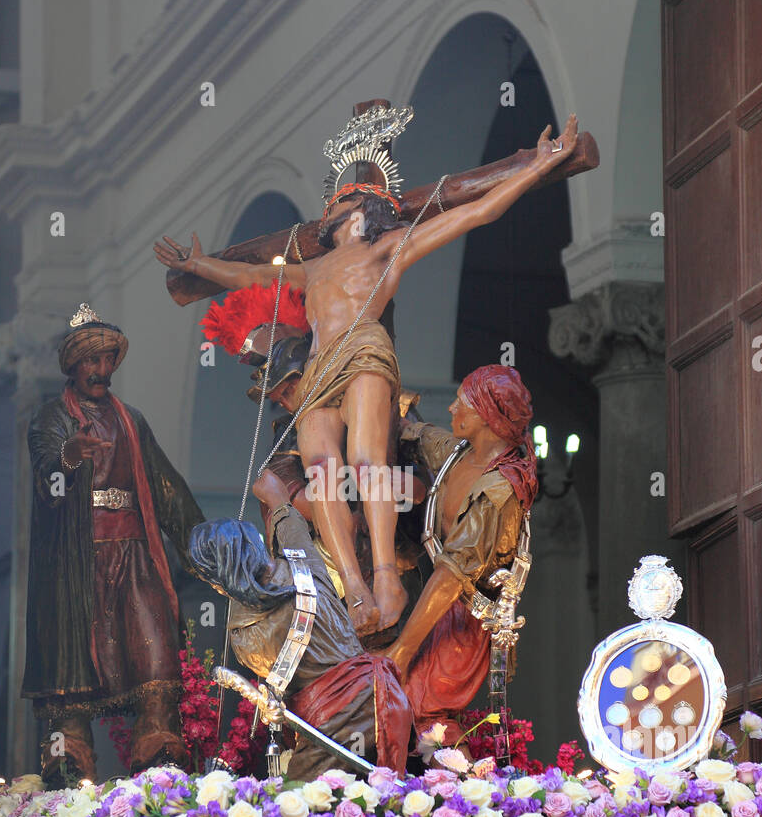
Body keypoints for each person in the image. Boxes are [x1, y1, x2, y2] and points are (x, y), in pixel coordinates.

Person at [155, 116, 579, 635]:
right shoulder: (313, 269)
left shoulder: (386, 247)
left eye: (335, 204)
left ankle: (385, 578)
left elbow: (477, 213)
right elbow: (249, 276)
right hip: (319, 367)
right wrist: (200, 265)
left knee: (364, 460)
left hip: (363, 350)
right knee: (320, 468)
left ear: (360, 213)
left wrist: (538, 166)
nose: (325, 214)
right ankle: (353, 586)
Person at [23, 305, 204, 779]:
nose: (102, 371)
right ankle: (68, 773)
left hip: (135, 557)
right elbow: (47, 479)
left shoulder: (131, 421)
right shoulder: (51, 420)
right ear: (74, 365)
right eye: (92, 361)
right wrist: (69, 456)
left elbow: (166, 487)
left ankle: (158, 764)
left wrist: (205, 545)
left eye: (108, 360)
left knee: (157, 662)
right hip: (77, 566)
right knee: (72, 686)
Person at [189, 471, 412, 778]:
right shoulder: (303, 563)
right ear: (255, 544)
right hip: (383, 699)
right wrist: (278, 499)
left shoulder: (245, 636)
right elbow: (292, 529)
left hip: (337, 718)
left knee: (304, 811)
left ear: (218, 582)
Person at [389, 365, 538, 731]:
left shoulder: (499, 491)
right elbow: (418, 435)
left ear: (486, 416)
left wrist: (402, 651)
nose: (452, 409)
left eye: (461, 404)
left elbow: (453, 574)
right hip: (432, 603)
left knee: (422, 710)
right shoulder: (458, 454)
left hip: (464, 619)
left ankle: (463, 787)